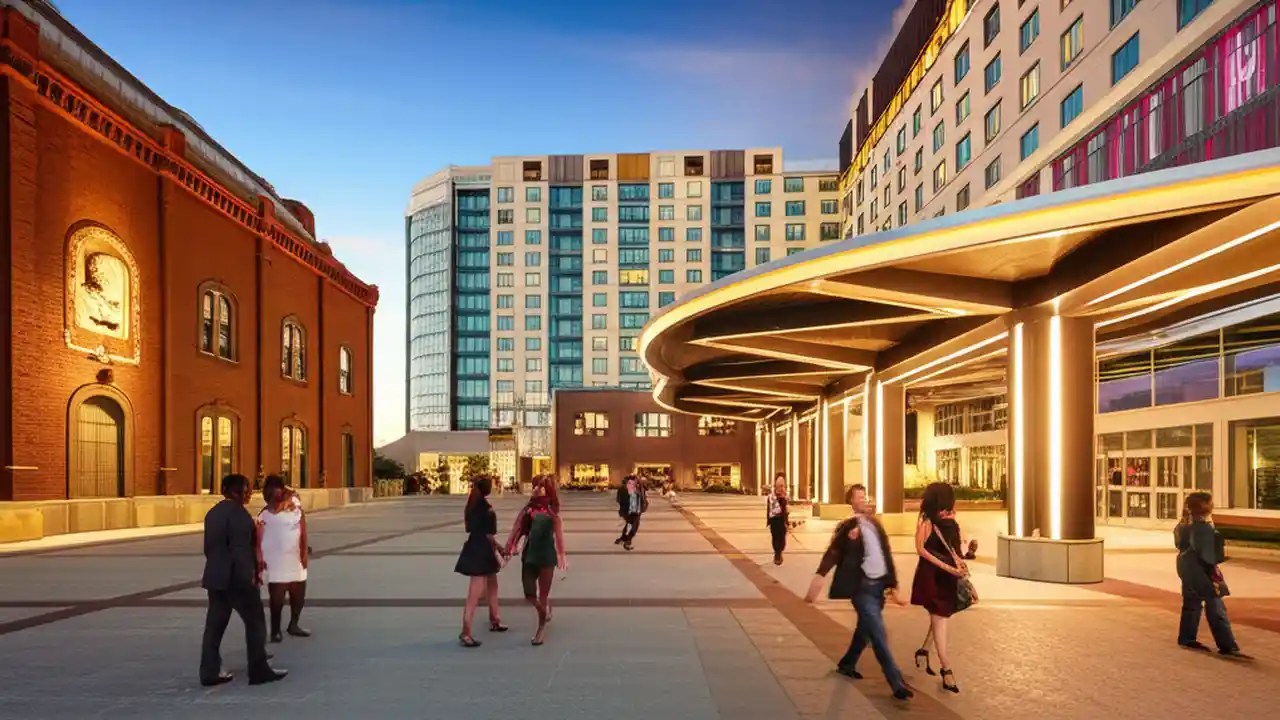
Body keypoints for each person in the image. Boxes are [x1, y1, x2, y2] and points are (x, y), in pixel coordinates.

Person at [805, 484, 912, 700]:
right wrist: (819, 578)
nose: (864, 500)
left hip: (878, 587)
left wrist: (893, 586)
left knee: (865, 630)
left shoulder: (875, 525)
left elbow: (886, 556)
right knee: (879, 634)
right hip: (861, 588)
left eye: (865, 496)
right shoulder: (847, 526)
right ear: (851, 502)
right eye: (859, 497)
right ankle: (896, 681)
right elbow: (833, 552)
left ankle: (847, 663)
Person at [199, 474, 287, 686]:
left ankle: (209, 672)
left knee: (214, 626)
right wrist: (251, 575)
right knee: (255, 623)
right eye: (246, 490)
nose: (249, 494)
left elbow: (209, 547)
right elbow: (239, 550)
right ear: (235, 492)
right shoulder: (239, 515)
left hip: (215, 577)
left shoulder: (213, 513)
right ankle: (258, 670)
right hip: (237, 578)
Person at [910, 482, 973, 694]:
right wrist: (948, 567)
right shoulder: (927, 521)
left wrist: (959, 565)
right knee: (940, 618)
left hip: (948, 577)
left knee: (941, 616)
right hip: (932, 576)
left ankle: (923, 651)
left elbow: (955, 548)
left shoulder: (951, 521)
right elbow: (920, 549)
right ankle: (947, 669)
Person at [1176, 492, 1250, 658]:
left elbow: (1181, 544)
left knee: (1191, 604)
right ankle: (1227, 644)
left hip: (1187, 568)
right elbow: (1208, 554)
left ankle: (1186, 638)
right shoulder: (1203, 527)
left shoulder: (1183, 524)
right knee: (1216, 606)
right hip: (1202, 571)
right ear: (1206, 507)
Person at [506, 477, 568, 646]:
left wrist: (562, 555)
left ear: (547, 491)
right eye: (535, 486)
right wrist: (511, 546)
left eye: (540, 487)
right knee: (529, 593)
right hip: (529, 556)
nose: (536, 489)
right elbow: (518, 528)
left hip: (546, 557)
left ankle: (540, 628)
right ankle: (543, 609)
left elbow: (559, 535)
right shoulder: (528, 509)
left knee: (543, 595)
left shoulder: (552, 512)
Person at [454, 475, 506, 647]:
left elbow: (472, 529)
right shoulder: (487, 510)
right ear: (487, 489)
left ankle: (495, 618)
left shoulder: (472, 506)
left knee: (492, 584)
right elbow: (489, 535)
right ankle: (466, 632)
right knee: (475, 594)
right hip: (483, 551)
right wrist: (500, 548)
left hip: (473, 547)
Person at [258, 475, 310, 643]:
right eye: (271, 495)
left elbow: (303, 531)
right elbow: (256, 540)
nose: (276, 499)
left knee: (298, 595)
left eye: (279, 494)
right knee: (277, 599)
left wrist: (304, 551)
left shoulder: (295, 509)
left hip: (295, 559)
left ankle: (294, 624)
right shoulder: (264, 516)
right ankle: (275, 631)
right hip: (275, 562)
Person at [614, 474, 648, 551]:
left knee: (628, 525)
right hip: (633, 512)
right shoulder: (631, 488)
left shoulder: (624, 488)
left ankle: (623, 538)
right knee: (634, 527)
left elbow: (618, 500)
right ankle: (627, 541)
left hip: (627, 511)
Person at [766, 474, 789, 565]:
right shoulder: (771, 497)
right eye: (779, 486)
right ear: (775, 486)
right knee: (775, 537)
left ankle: (780, 551)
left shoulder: (786, 497)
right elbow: (771, 510)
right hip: (774, 519)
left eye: (782, 486)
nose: (781, 488)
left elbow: (786, 510)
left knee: (782, 539)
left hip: (782, 520)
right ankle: (777, 554)